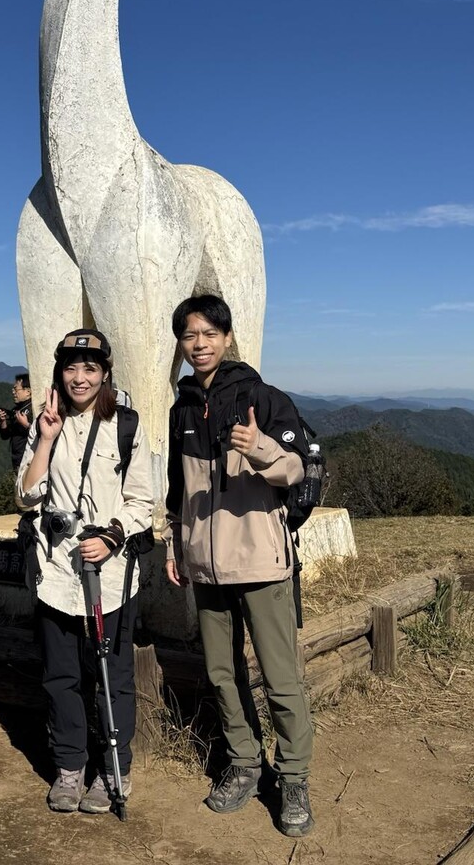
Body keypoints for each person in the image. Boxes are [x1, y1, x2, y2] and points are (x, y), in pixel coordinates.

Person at [164, 294, 316, 839]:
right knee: (222, 675)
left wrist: (261, 449)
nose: (198, 344)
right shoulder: (182, 407)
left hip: (260, 562)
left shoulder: (263, 397)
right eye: (188, 335)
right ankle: (246, 762)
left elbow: (298, 469)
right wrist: (175, 544)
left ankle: (294, 778)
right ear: (180, 345)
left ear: (227, 338)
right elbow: (177, 489)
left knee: (280, 677)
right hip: (204, 564)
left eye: (208, 333)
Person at [18, 330, 153, 813]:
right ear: (60, 374)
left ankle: (114, 769)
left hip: (111, 574)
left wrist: (113, 535)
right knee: (62, 675)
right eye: (71, 368)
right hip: (56, 570)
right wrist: (46, 440)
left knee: (113, 676)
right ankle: (70, 768)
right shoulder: (46, 422)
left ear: (105, 374)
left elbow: (143, 500)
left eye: (90, 369)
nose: (80, 377)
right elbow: (26, 494)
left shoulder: (126, 425)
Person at [0, 373, 34, 470]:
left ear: (28, 391)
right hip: (17, 461)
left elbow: (41, 433)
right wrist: (3, 420)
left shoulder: (34, 410)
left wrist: (26, 424)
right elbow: (5, 435)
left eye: (16, 389)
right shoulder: (15, 410)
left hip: (31, 461)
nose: (13, 392)